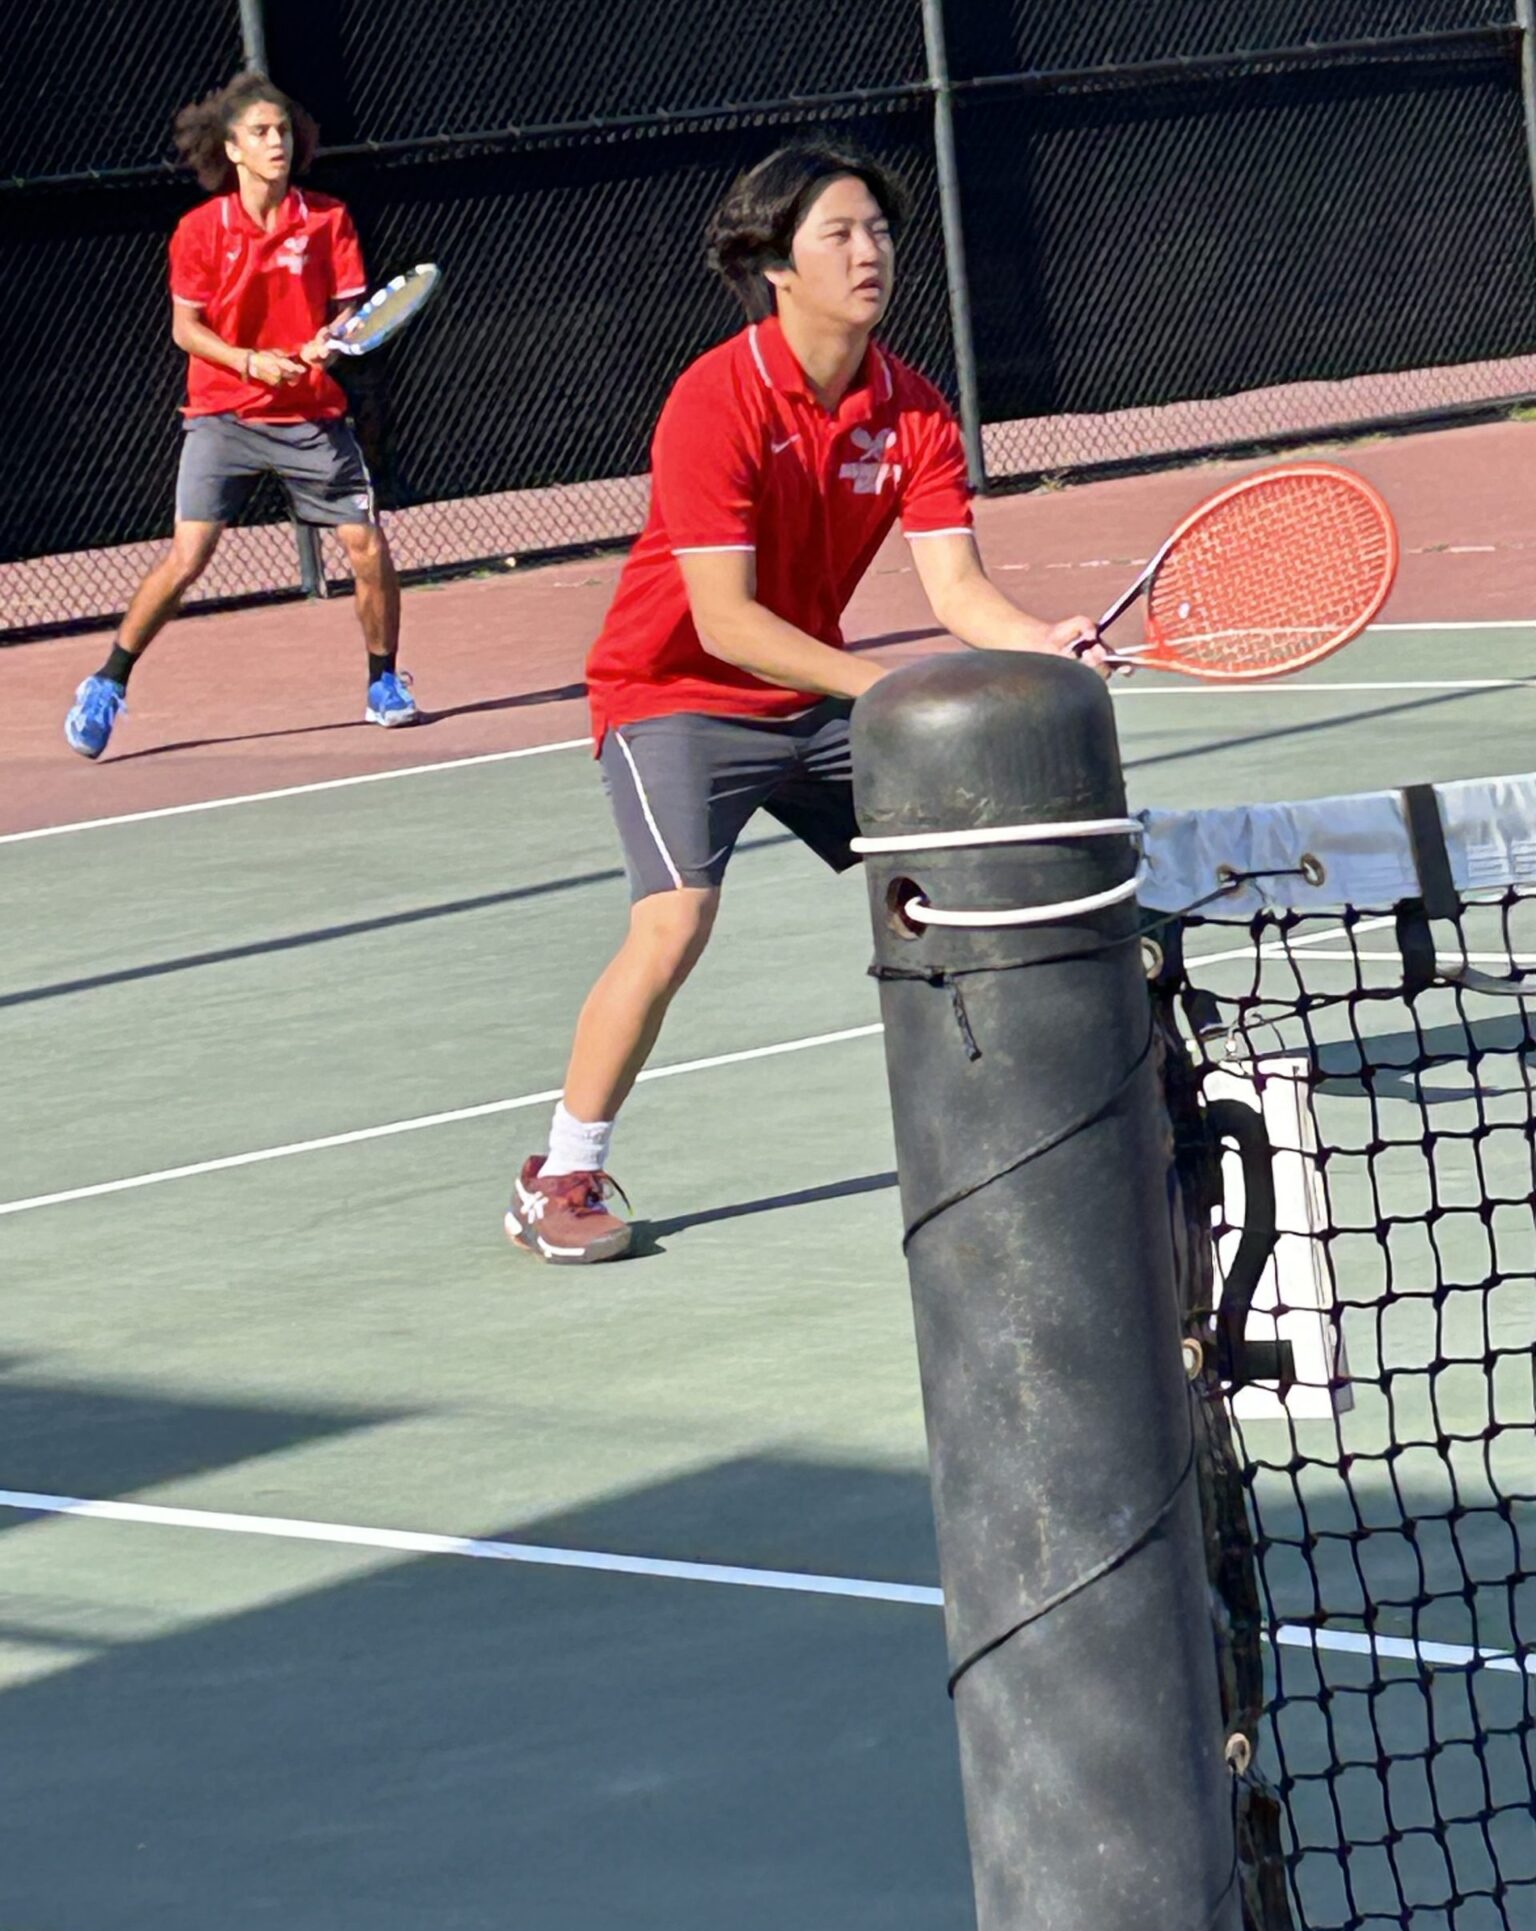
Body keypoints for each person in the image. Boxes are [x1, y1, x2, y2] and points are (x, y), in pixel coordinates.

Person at [505, 139, 1107, 1265]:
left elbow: (959, 590)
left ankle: (1037, 1097)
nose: (868, 251)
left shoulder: (913, 407)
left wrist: (1042, 643)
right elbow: (725, 621)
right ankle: (562, 1173)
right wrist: (890, 685)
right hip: (673, 694)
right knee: (674, 919)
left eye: (878, 230)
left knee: (988, 851)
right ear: (778, 264)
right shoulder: (714, 398)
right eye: (838, 233)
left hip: (810, 696)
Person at [63, 71, 420, 761]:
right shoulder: (201, 231)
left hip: (311, 416)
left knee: (366, 546)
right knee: (189, 556)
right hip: (222, 413)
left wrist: (329, 341)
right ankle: (107, 684)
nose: (275, 142)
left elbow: (349, 313)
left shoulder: (327, 219)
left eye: (282, 130)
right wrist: (252, 362)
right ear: (232, 149)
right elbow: (185, 331)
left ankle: (383, 684)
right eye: (260, 132)